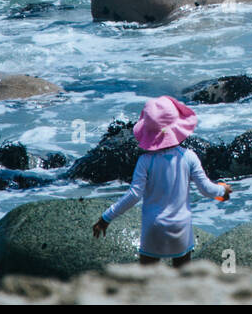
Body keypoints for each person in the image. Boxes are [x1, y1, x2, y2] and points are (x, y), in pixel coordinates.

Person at [91, 96, 231, 266]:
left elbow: (134, 195)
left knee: (148, 278)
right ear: (178, 126)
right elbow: (206, 189)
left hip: (154, 227)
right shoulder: (188, 157)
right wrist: (222, 191)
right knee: (183, 277)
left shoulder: (145, 161)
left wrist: (107, 217)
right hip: (181, 227)